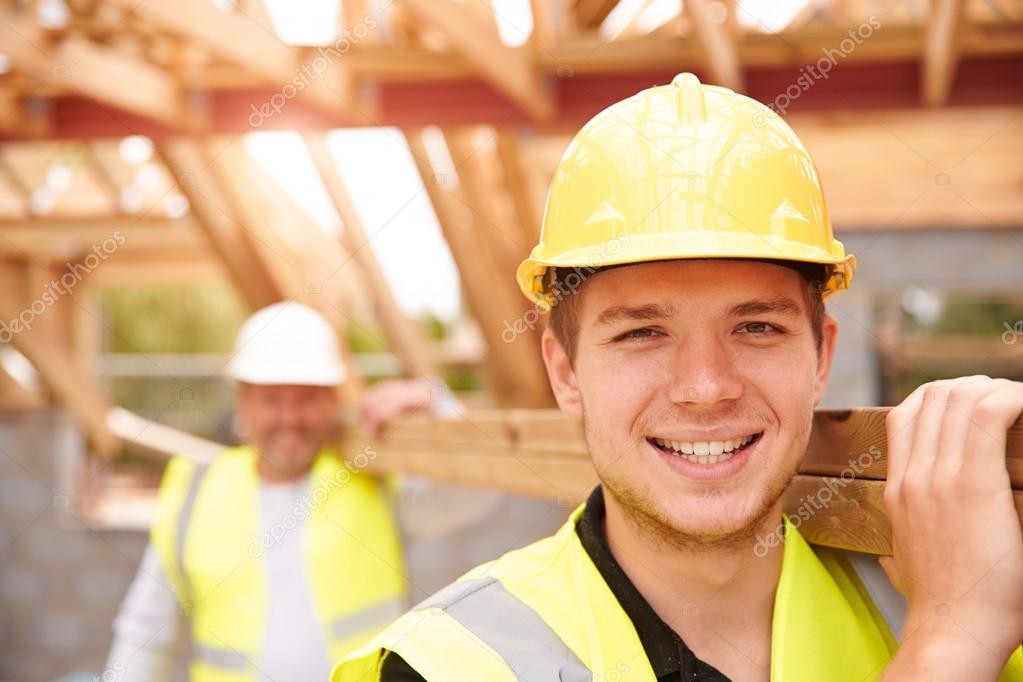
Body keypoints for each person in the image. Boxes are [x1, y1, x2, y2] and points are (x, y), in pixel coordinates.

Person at [332, 74, 1023, 680]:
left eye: (754, 327)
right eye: (642, 333)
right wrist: (952, 643)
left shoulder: (962, 593)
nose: (705, 386)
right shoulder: (459, 665)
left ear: (820, 358)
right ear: (564, 372)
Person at [106, 302, 406, 681]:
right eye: (272, 399)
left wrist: (438, 405)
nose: (289, 418)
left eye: (307, 398)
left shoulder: (374, 480)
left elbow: (477, 495)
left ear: (333, 400)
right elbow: (144, 632)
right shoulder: (196, 492)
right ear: (243, 401)